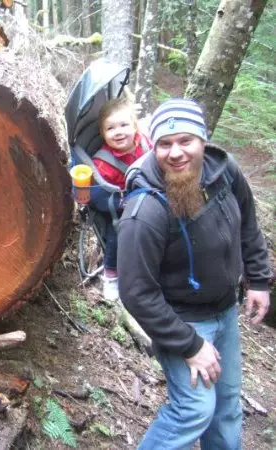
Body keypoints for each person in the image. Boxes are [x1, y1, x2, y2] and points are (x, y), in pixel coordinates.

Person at [117, 98, 272, 449]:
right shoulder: (145, 211)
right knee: (194, 410)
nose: (176, 153)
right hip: (182, 320)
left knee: (228, 406)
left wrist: (259, 280)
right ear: (153, 147)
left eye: (185, 141)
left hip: (225, 310)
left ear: (203, 140)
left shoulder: (224, 171)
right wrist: (190, 345)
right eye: (165, 144)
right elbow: (136, 292)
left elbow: (247, 222)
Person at [90, 95, 151, 302]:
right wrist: (123, 203)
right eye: (111, 128)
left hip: (149, 198)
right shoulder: (103, 162)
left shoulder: (144, 144)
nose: (118, 132)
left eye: (124, 125)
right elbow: (97, 195)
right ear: (103, 133)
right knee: (117, 235)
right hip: (117, 208)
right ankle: (110, 275)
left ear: (135, 126)